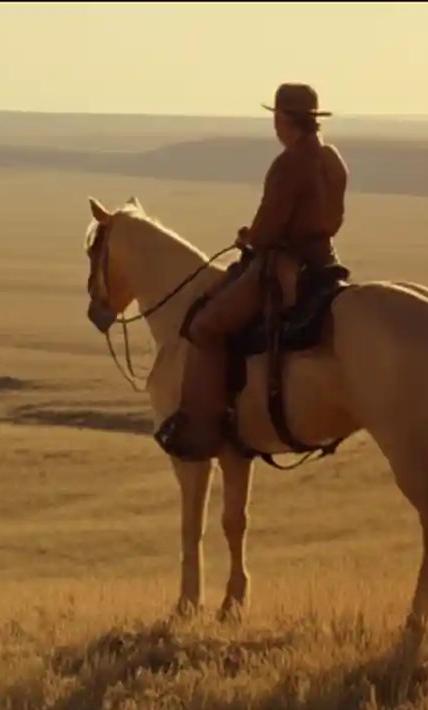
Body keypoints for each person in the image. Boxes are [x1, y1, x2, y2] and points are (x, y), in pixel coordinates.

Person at [155, 82, 350, 462]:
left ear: (283, 119)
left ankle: (206, 425)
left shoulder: (289, 163)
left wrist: (250, 238)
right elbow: (334, 217)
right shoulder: (333, 159)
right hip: (324, 261)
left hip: (284, 267)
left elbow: (269, 227)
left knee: (205, 326)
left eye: (276, 118)